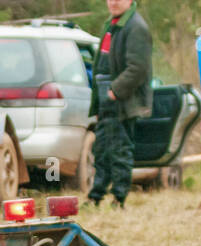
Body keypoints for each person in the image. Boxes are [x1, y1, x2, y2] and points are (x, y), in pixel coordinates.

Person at [87, 0, 153, 208]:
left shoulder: (136, 27)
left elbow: (138, 68)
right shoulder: (112, 24)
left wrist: (115, 91)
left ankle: (119, 199)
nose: (113, 2)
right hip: (106, 99)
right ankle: (95, 197)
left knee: (120, 151)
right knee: (102, 150)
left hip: (123, 101)